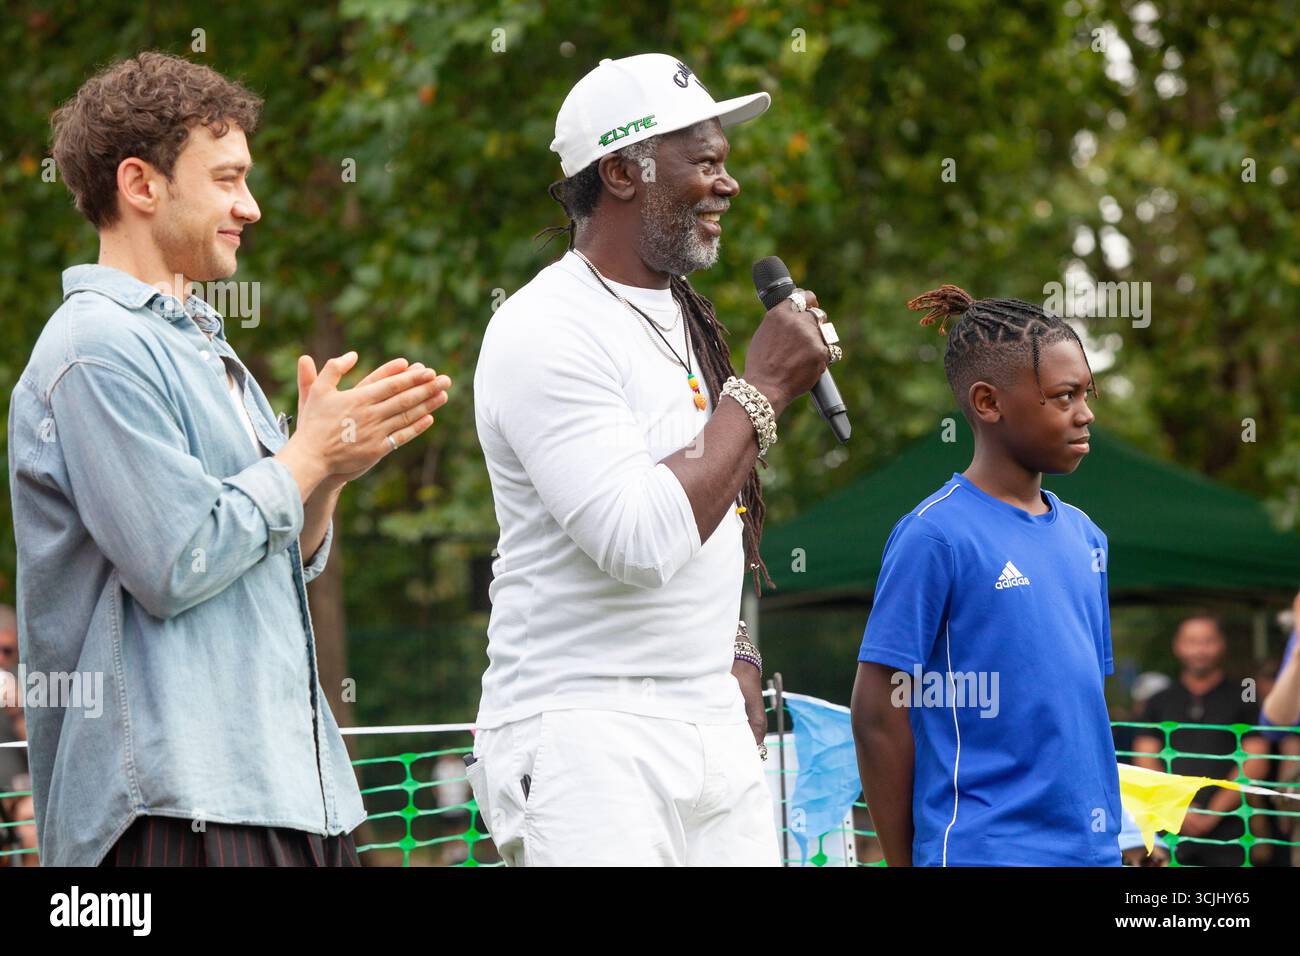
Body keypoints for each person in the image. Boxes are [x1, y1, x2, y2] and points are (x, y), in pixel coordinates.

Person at [8, 52, 453, 866]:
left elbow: (273, 557)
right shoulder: (94, 350)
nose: (249, 207)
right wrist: (302, 457)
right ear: (141, 185)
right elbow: (177, 560)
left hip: (291, 798)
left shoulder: (203, 344)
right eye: (226, 179)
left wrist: (325, 477)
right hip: (176, 816)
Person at [467, 53, 830, 866]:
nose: (727, 185)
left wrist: (733, 645)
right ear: (624, 172)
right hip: (584, 731)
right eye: (704, 163)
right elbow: (639, 540)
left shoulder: (682, 320)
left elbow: (703, 508)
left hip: (707, 719)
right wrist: (763, 386)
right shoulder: (544, 328)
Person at [850, 285, 1121, 866]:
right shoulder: (934, 535)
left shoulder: (1086, 538)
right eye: (1064, 395)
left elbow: (1082, 708)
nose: (1086, 412)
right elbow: (877, 713)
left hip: (1090, 855)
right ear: (988, 403)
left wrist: (1119, 833)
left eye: (1086, 393)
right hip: (983, 851)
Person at [1133, 615, 1268, 866]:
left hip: (1232, 830)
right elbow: (1144, 761)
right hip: (1168, 829)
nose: (1199, 649)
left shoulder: (1245, 696)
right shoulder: (1158, 700)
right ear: (1177, 646)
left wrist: (1212, 811)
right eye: (1191, 641)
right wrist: (1177, 807)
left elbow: (1256, 759)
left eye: (1208, 641)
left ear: (1222, 645)